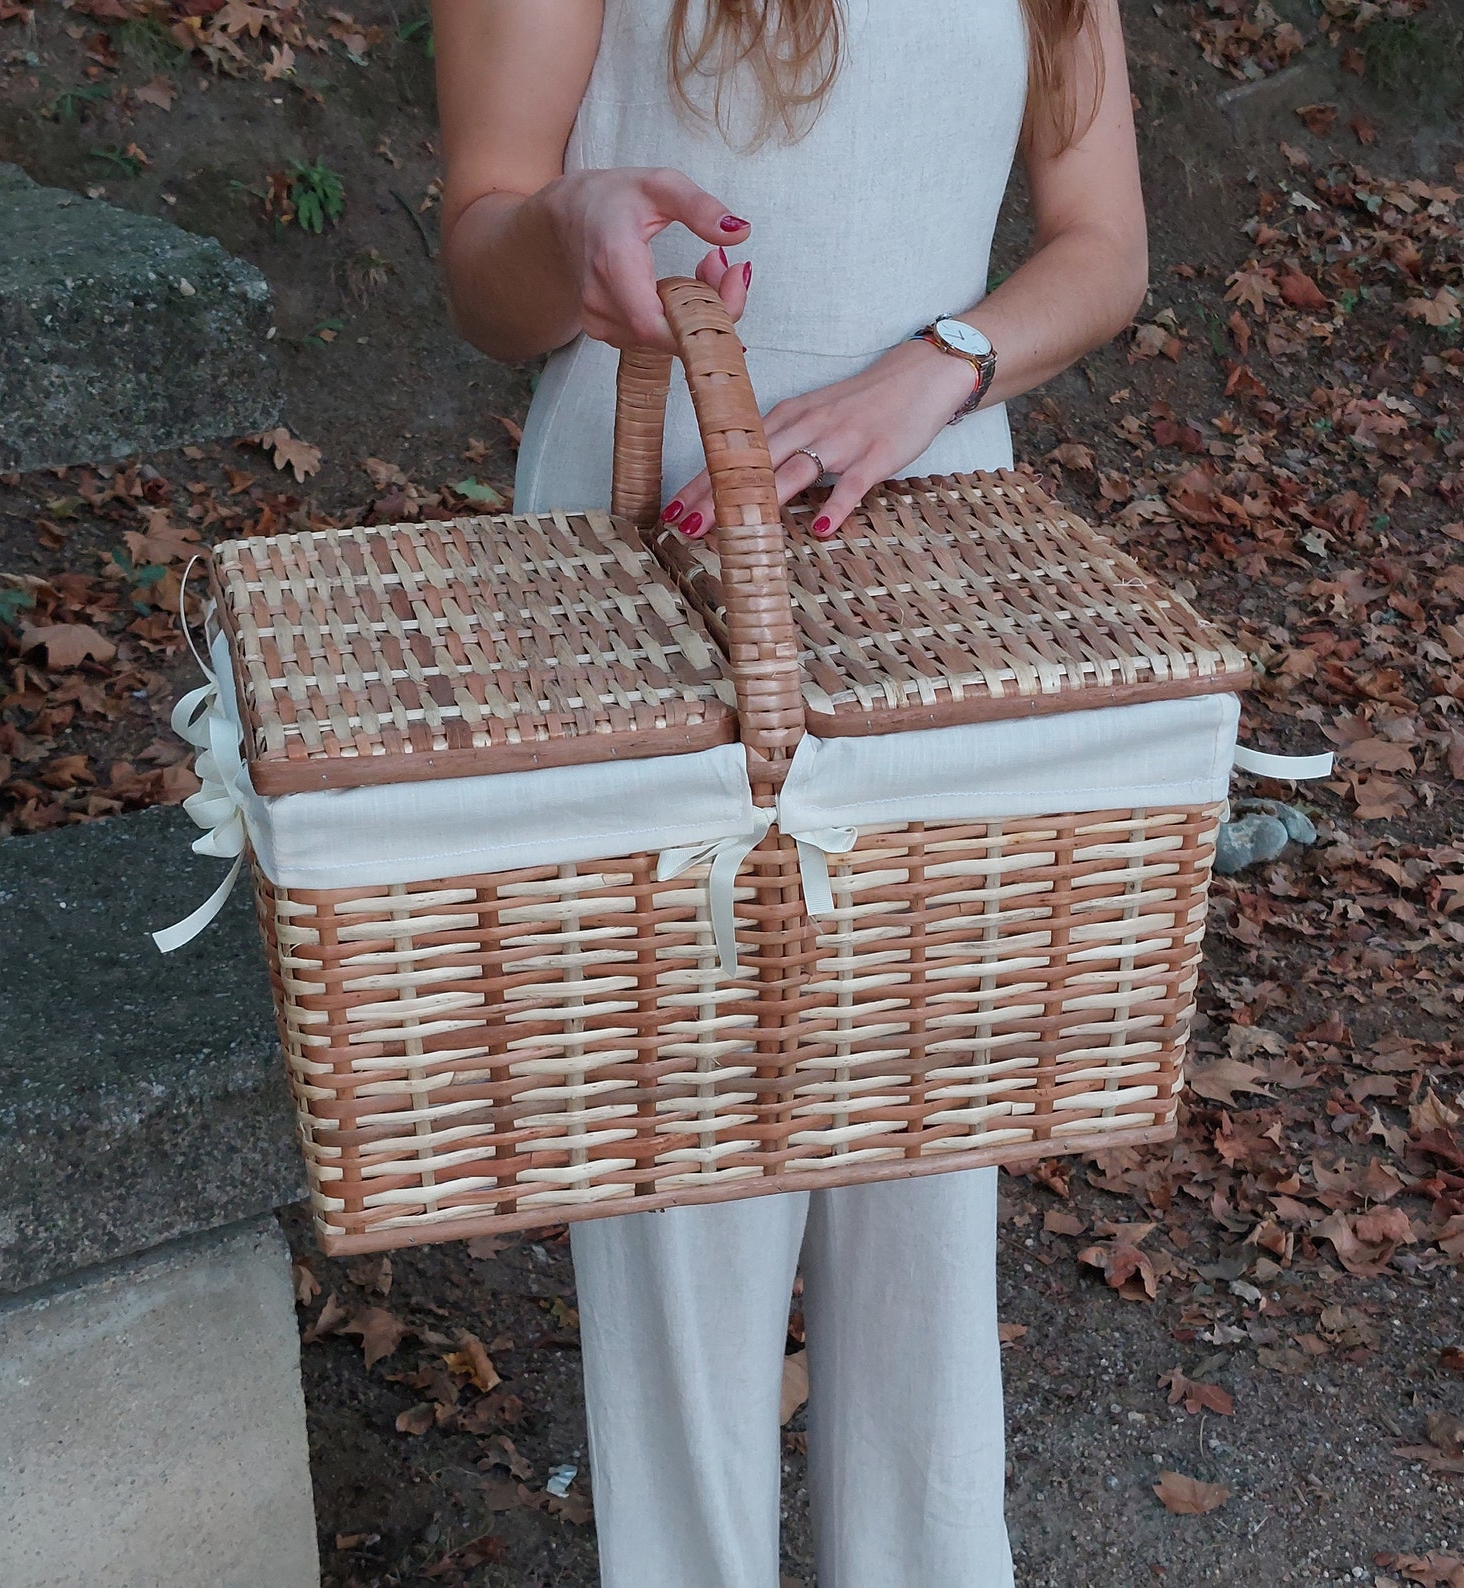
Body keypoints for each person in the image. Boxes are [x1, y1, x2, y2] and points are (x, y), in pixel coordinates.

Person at [431, 3, 1147, 1583]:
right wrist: (566, 227)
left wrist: (941, 367)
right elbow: (485, 248)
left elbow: (1103, 244)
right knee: (681, 1174)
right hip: (647, 539)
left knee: (928, 1160)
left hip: (940, 556)